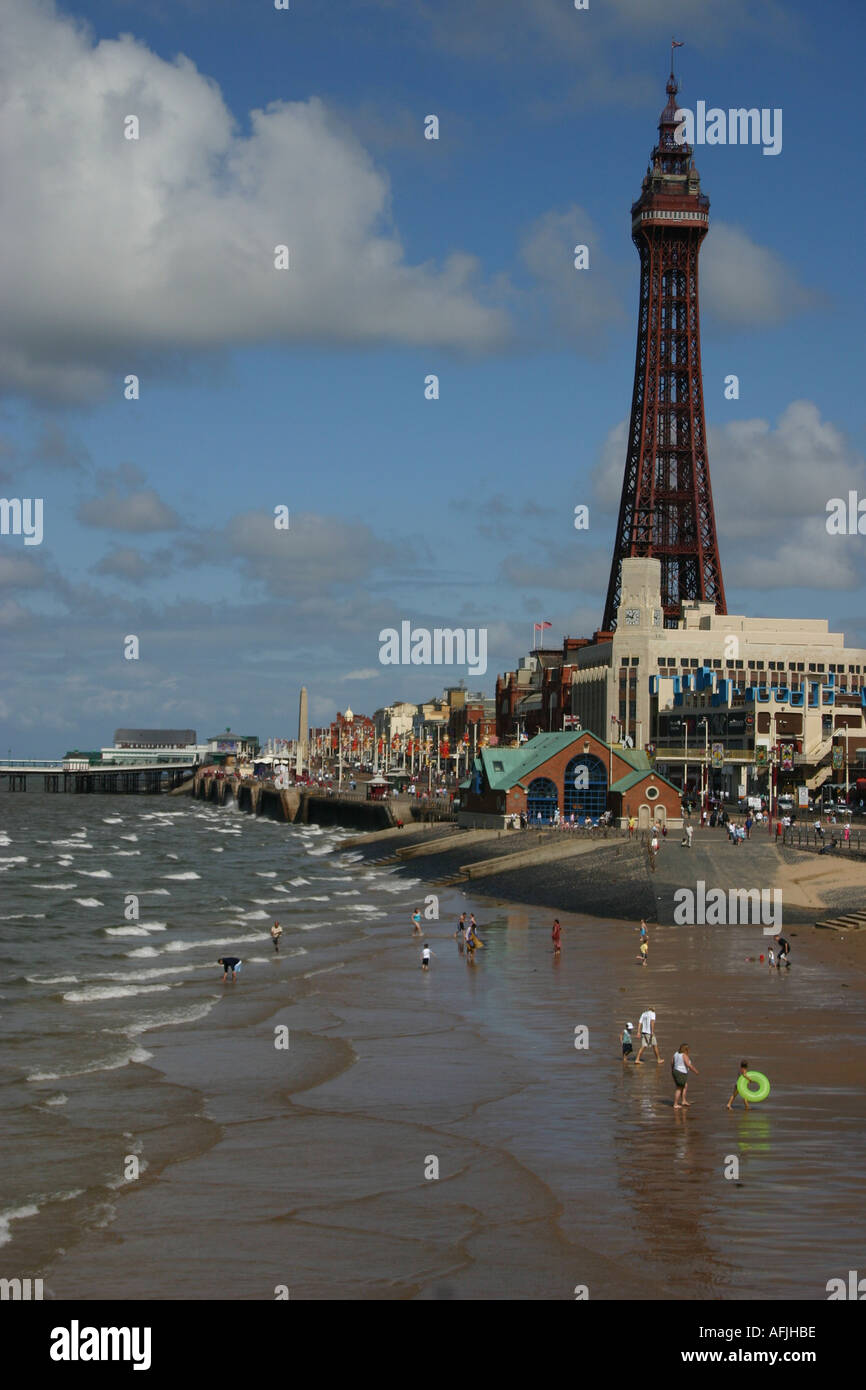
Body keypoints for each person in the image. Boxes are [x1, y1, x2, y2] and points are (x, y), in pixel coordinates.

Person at [672, 1043, 699, 1108]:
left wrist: (673, 1070)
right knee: (679, 1088)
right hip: (681, 1073)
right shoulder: (684, 1055)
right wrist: (695, 1071)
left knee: (685, 1085)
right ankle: (675, 1104)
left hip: (675, 1071)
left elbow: (672, 1062)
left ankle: (683, 1100)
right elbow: (688, 1065)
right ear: (686, 1050)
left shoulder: (676, 1054)